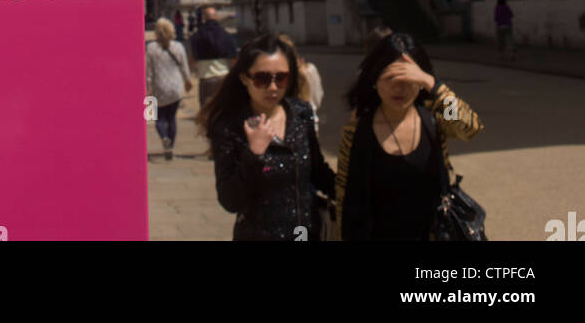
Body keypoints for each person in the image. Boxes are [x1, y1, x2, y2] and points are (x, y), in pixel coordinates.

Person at [336, 32, 483, 242]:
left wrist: (434, 84)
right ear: (374, 80)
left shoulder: (434, 118)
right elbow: (346, 201)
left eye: (408, 78)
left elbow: (469, 127)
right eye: (390, 78)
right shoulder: (356, 133)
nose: (399, 87)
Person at [199, 33, 335, 241]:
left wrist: (354, 192)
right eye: (262, 78)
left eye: (281, 78)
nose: (273, 87)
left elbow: (318, 172)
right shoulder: (230, 126)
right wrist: (254, 154)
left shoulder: (301, 113)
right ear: (245, 78)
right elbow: (230, 200)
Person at [146, 19, 191, 160]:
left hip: (158, 87)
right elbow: (184, 66)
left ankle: (164, 137)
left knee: (158, 118)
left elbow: (148, 71)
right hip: (175, 87)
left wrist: (148, 87)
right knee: (172, 118)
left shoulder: (151, 48)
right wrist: (187, 80)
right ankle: (170, 146)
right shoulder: (178, 46)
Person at [189, 6, 238, 106]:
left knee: (206, 111)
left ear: (204, 18)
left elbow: (192, 58)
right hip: (223, 77)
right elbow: (234, 58)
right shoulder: (227, 36)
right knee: (223, 109)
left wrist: (190, 74)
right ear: (217, 17)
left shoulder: (197, 36)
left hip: (206, 79)